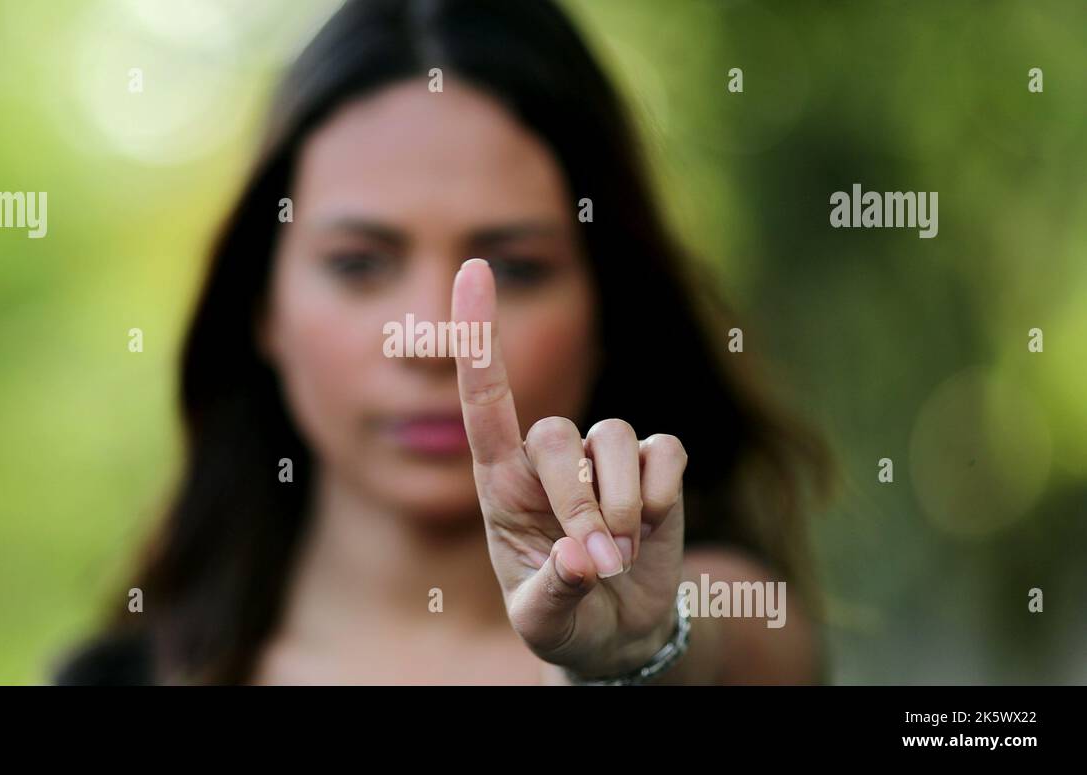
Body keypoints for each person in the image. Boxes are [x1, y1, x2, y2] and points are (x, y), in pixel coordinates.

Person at [55, 0, 832, 685]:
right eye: (358, 264)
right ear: (264, 306)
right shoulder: (117, 678)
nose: (433, 336)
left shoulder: (730, 626)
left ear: (610, 307)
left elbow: (727, 651)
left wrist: (637, 657)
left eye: (516, 268)